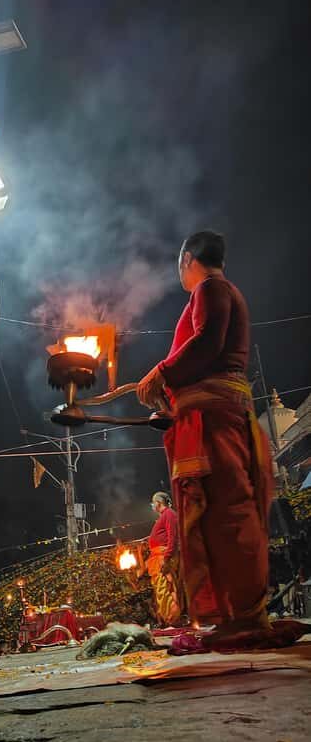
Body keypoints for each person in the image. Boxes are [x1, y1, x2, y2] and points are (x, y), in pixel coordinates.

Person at [137, 230, 276, 641]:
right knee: (222, 510)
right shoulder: (221, 290)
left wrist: (161, 373)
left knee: (225, 511)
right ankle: (237, 615)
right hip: (219, 413)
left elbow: (206, 343)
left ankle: (243, 615)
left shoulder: (210, 289)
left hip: (217, 419)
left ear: (187, 258)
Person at [146, 492, 184, 627]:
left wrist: (167, 557)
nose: (152, 506)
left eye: (153, 503)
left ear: (158, 503)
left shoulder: (169, 514)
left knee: (166, 588)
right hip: (158, 557)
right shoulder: (165, 516)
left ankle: (173, 619)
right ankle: (169, 619)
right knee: (161, 588)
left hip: (164, 557)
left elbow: (172, 537)